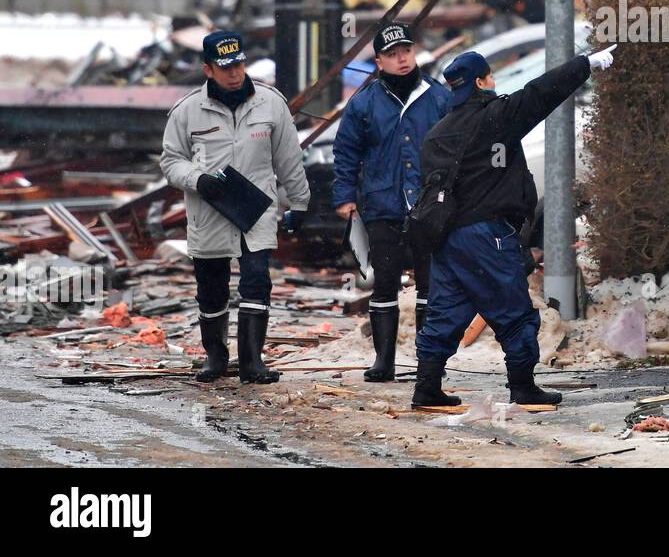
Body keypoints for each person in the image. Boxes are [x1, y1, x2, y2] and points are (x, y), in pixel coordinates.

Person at [410, 43, 617, 409]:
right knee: (514, 311)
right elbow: (540, 93)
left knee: (446, 311)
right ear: (479, 82)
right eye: (489, 76)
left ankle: (426, 388)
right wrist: (584, 63)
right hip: (487, 236)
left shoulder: (437, 133)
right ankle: (523, 387)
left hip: (446, 239)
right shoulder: (494, 117)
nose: (494, 81)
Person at [160, 30, 311, 384]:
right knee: (211, 288)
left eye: (239, 64)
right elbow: (170, 162)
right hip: (209, 211)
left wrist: (300, 203)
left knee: (257, 282)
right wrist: (198, 179)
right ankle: (215, 358)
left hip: (255, 211)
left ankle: (252, 362)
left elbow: (289, 159)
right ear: (208, 69)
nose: (235, 73)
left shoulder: (271, 104)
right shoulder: (187, 112)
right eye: (225, 67)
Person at [332, 22, 452, 382]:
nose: (402, 59)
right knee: (385, 282)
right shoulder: (364, 102)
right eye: (392, 54)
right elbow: (346, 153)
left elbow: (455, 148)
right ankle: (384, 360)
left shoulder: (437, 96)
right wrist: (345, 197)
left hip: (430, 204)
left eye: (406, 51)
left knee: (431, 284)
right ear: (379, 61)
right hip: (382, 203)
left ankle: (429, 362)